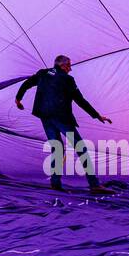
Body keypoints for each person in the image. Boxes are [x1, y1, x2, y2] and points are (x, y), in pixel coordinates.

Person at [15, 55, 112, 193]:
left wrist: (18, 99)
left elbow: (26, 84)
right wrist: (97, 116)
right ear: (64, 66)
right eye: (69, 66)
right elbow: (80, 100)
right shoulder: (67, 79)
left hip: (45, 116)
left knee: (58, 149)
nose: (71, 69)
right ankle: (94, 184)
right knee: (80, 148)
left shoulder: (42, 73)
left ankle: (55, 183)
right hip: (61, 118)